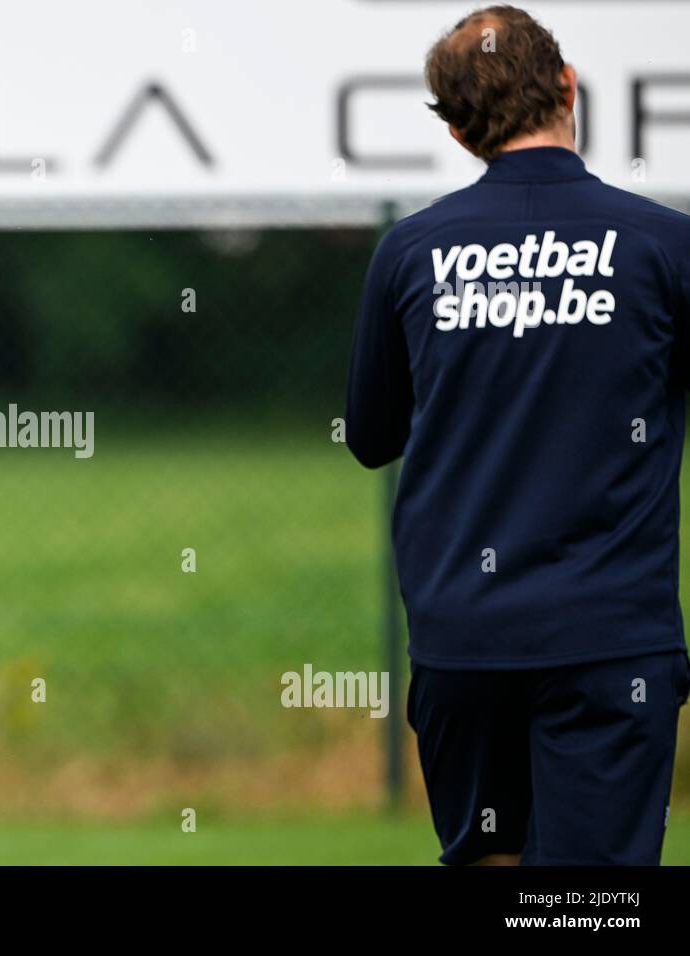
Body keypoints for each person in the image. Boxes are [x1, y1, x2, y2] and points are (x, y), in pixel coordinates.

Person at [345, 5, 690, 865]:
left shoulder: (411, 251)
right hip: (611, 639)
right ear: (569, 87)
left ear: (461, 133)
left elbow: (369, 435)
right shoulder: (664, 247)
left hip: (464, 639)